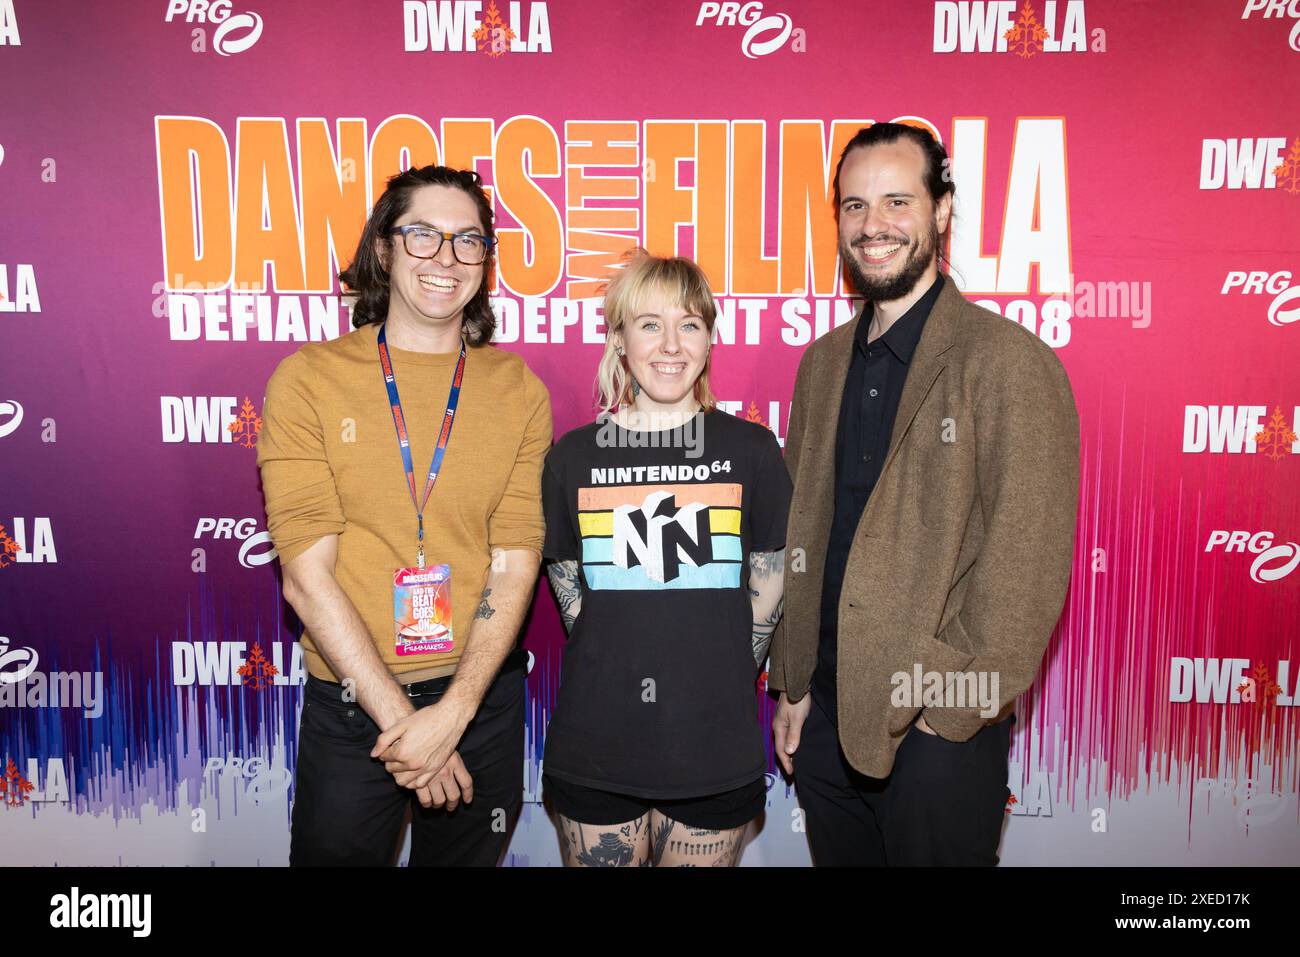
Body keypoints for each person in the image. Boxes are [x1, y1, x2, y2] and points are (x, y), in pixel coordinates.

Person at [769, 123, 1080, 866]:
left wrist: (951, 715)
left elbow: (1026, 563)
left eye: (897, 201)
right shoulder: (820, 366)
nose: (873, 226)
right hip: (826, 726)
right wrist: (792, 684)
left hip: (936, 735)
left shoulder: (1009, 363)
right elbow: (805, 531)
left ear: (943, 211)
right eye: (854, 206)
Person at [257, 164, 552, 866]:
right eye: (423, 235)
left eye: (468, 241)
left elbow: (516, 565)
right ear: (384, 250)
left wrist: (451, 716)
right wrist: (407, 725)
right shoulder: (307, 380)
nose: (446, 259)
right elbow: (306, 577)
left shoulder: (519, 391)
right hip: (355, 706)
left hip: (480, 704)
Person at [541, 250, 791, 867]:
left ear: (709, 338)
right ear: (620, 339)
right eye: (650, 324)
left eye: (690, 324)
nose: (671, 344)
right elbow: (571, 591)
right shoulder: (573, 457)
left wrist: (722, 666)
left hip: (713, 743)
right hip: (597, 742)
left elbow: (772, 579)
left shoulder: (752, 450)